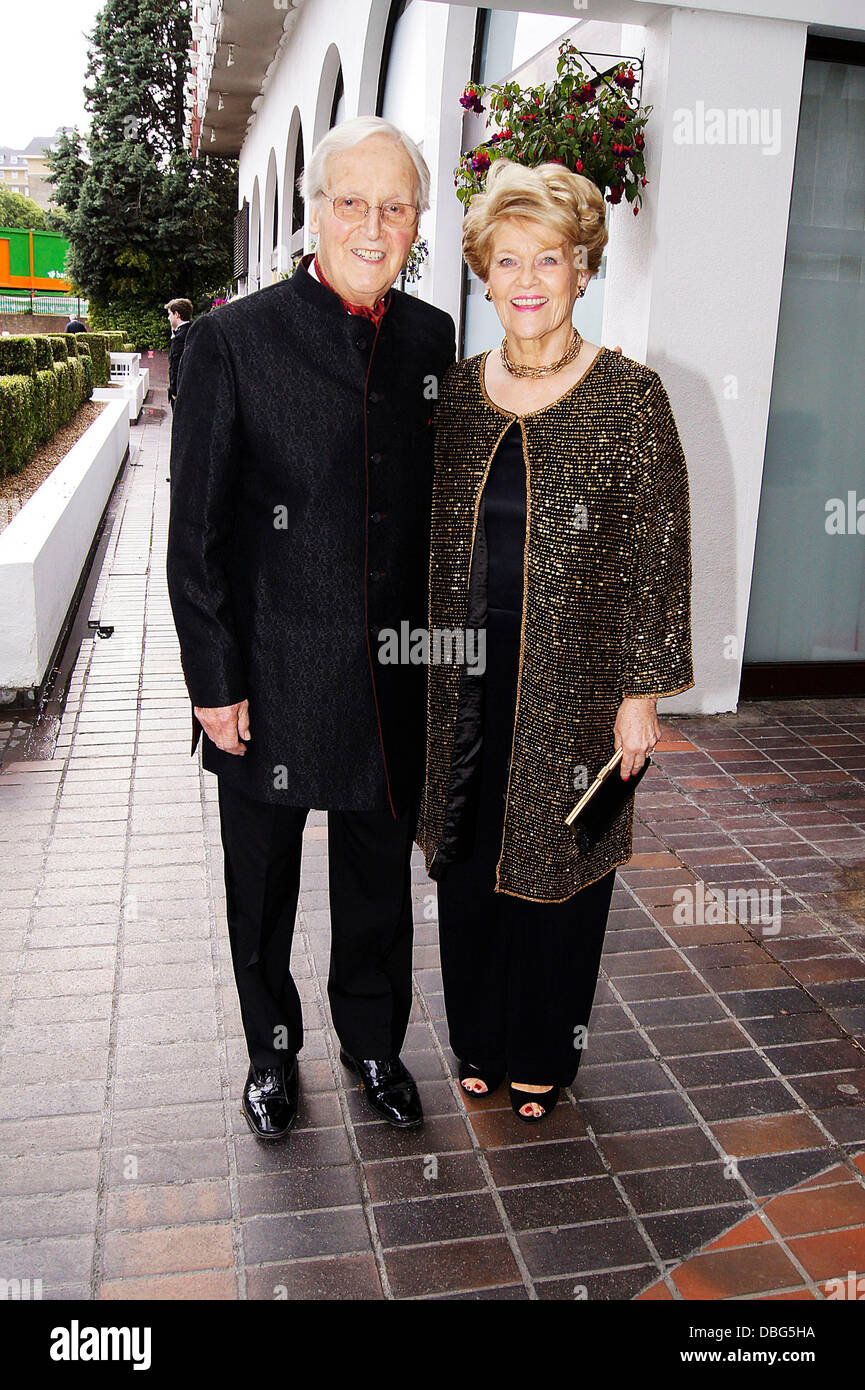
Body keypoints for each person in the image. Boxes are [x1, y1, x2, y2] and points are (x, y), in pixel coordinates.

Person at [166, 117, 455, 1141]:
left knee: (377, 882)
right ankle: (270, 1053)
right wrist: (214, 679)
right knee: (264, 885)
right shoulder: (229, 342)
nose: (372, 226)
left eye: (394, 206)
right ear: (313, 211)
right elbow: (193, 534)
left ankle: (373, 1043)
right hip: (271, 676)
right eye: (352, 202)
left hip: (389, 678)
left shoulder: (430, 336)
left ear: (416, 221)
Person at [416, 159, 694, 1121]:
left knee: (559, 867)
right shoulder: (453, 395)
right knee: (465, 857)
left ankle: (543, 1051)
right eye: (506, 260)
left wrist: (641, 692)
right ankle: (479, 1043)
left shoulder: (628, 396)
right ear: (482, 277)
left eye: (549, 258)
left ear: (583, 269)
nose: (526, 279)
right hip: (458, 680)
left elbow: (658, 552)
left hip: (575, 683)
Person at [165, 298, 193, 411]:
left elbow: (175, 366)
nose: (168, 318)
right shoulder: (192, 330)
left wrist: (174, 391)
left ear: (177, 314)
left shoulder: (179, 338)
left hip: (180, 392)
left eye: (170, 314)